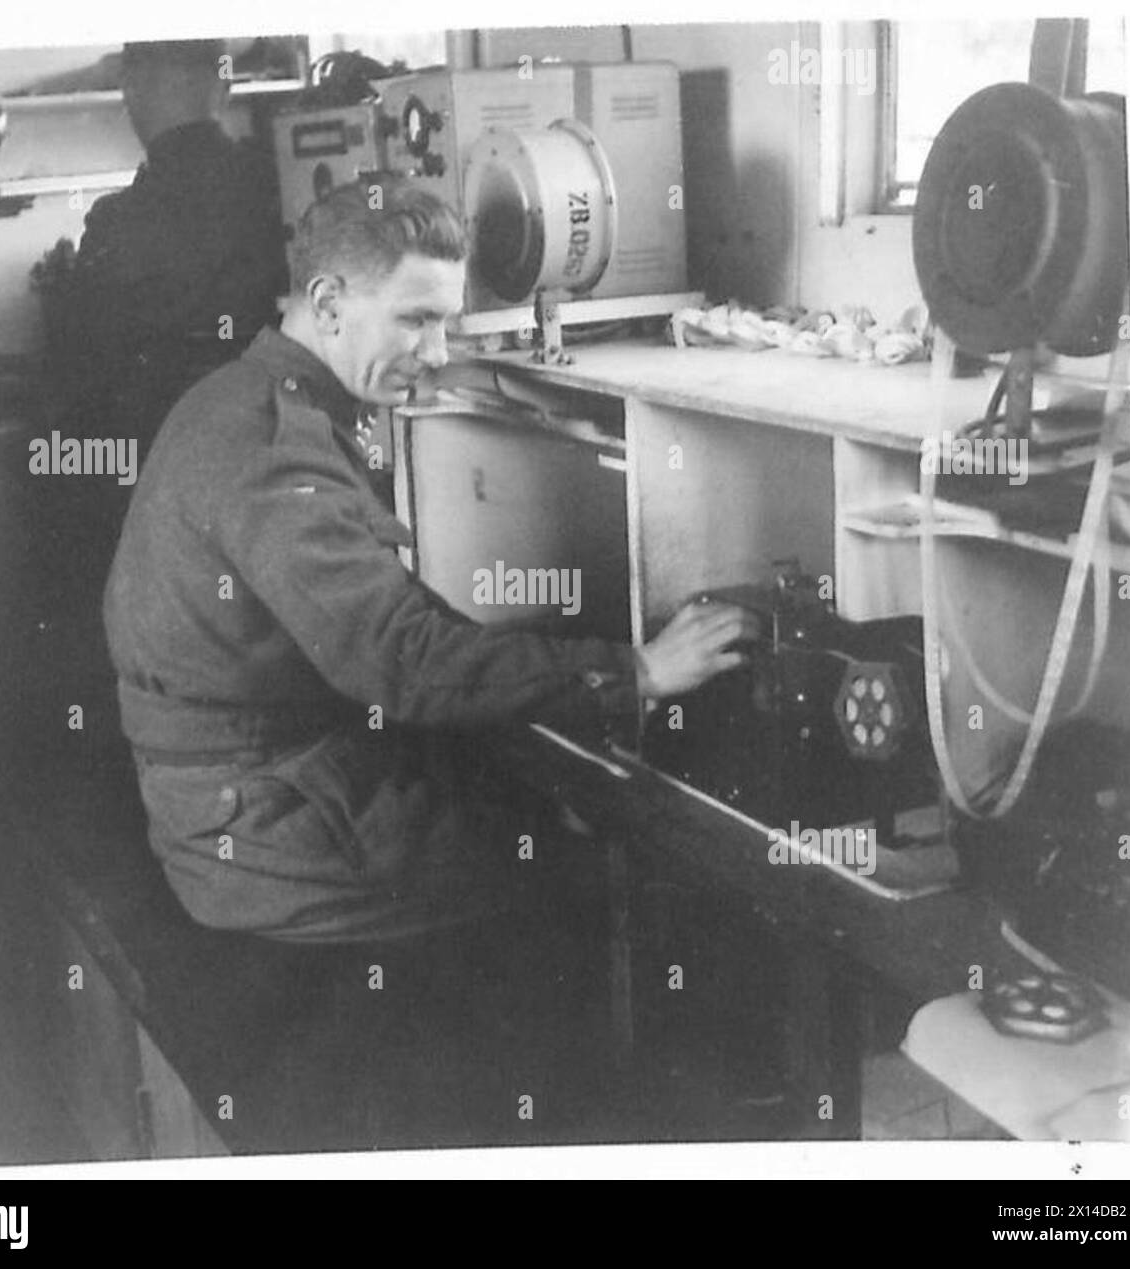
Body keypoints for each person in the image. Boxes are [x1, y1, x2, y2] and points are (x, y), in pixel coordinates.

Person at [103, 177, 752, 1139]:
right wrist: (639, 673)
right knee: (565, 867)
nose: (437, 353)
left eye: (447, 323)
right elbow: (400, 663)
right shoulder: (273, 448)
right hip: (255, 824)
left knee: (532, 804)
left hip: (243, 784)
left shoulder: (245, 395)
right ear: (326, 305)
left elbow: (383, 624)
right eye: (415, 320)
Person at [48, 38, 288, 451]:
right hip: (278, 436)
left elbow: (80, 365)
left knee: (54, 457)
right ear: (225, 89)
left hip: (160, 456)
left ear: (131, 93)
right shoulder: (280, 184)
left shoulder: (117, 221)